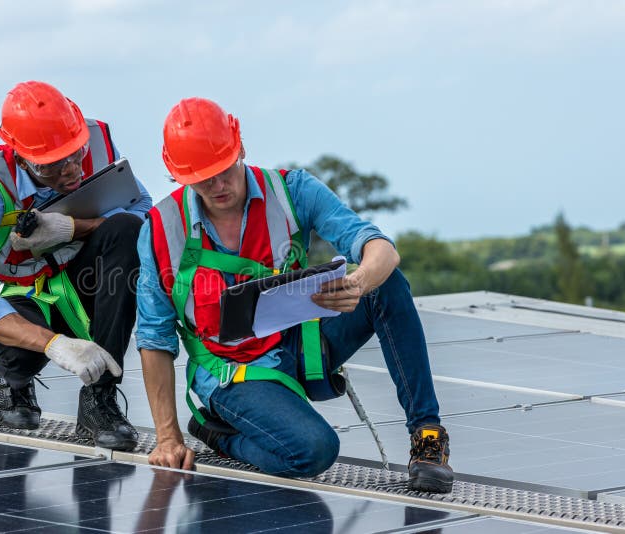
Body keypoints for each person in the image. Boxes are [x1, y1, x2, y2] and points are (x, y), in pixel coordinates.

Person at [135, 97, 454, 493]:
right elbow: (154, 337)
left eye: (222, 170)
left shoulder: (292, 191)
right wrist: (168, 438)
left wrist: (358, 283)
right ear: (179, 176)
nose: (216, 186)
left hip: (301, 346)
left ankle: (426, 436)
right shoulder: (161, 229)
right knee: (313, 451)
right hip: (233, 372)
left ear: (240, 148)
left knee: (387, 284)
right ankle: (219, 433)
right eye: (201, 178)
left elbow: (381, 248)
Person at [0, 81, 151, 451]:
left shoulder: (98, 144)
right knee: (22, 353)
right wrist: (54, 345)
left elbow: (143, 213)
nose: (72, 170)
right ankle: (11, 379)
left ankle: (99, 400)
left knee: (127, 230)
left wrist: (74, 227)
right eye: (53, 165)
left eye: (76, 154)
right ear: (22, 158)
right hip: (17, 295)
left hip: (77, 279)